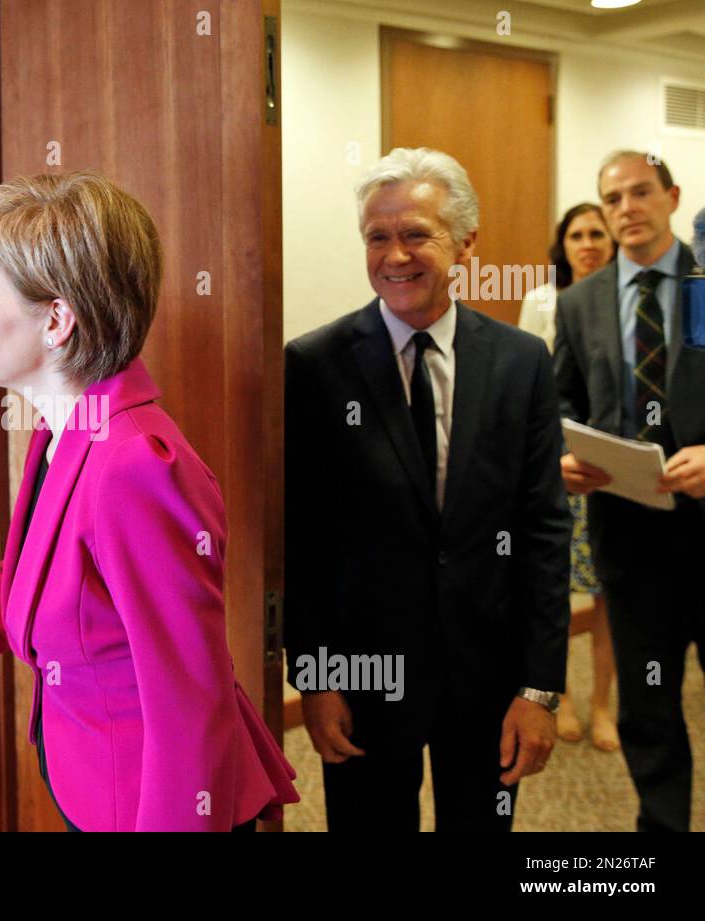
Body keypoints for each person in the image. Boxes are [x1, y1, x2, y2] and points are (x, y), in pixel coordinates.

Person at [0, 172, 299, 831]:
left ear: (58, 320)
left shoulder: (137, 467)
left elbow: (189, 705)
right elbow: (26, 593)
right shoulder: (61, 431)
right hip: (86, 781)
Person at [284, 147, 570, 831]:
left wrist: (539, 687)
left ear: (465, 242)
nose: (395, 254)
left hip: (487, 674)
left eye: (415, 233)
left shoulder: (520, 362)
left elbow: (543, 530)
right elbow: (305, 533)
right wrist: (317, 676)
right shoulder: (316, 365)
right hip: (365, 672)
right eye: (377, 236)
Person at [552, 151, 705, 832]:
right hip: (629, 530)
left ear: (672, 197)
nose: (626, 209)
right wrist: (564, 455)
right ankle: (662, 826)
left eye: (641, 193)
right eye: (612, 199)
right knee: (650, 700)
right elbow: (563, 400)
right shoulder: (581, 299)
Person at [518, 204, 619, 751]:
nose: (588, 243)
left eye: (596, 234)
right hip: (556, 456)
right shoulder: (543, 299)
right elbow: (527, 382)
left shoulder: (625, 299)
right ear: (564, 245)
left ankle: (604, 703)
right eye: (577, 234)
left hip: (613, 455)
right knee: (553, 584)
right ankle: (559, 698)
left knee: (605, 589)